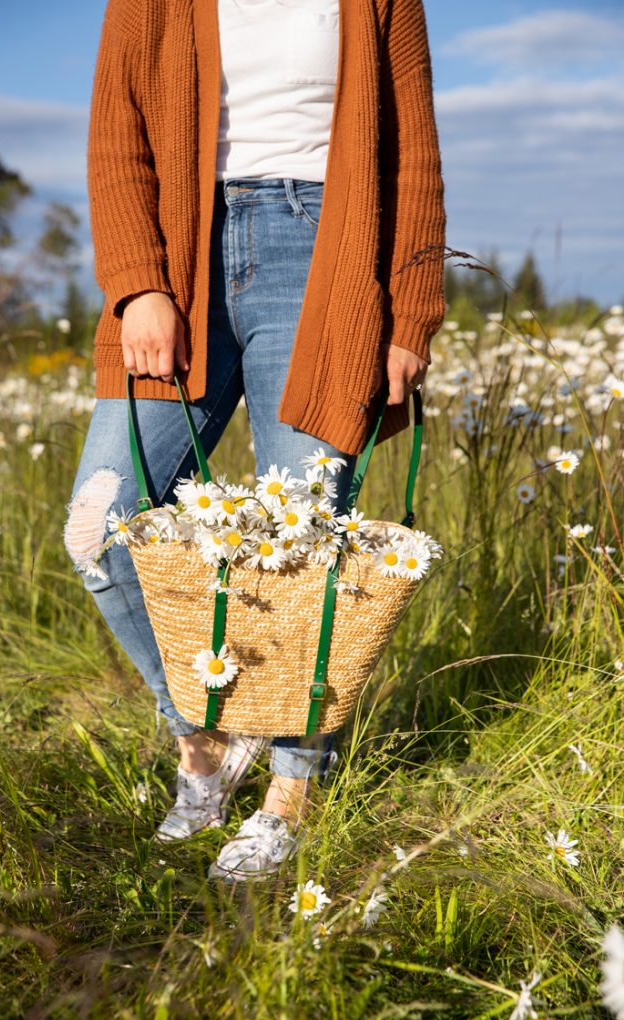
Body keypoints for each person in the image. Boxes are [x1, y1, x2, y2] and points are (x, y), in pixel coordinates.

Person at [64, 0, 446, 882]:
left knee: (305, 548)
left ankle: (289, 795)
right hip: (179, 259)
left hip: (326, 259)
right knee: (99, 522)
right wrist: (138, 286)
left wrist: (411, 314)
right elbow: (115, 135)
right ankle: (203, 741)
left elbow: (413, 154)